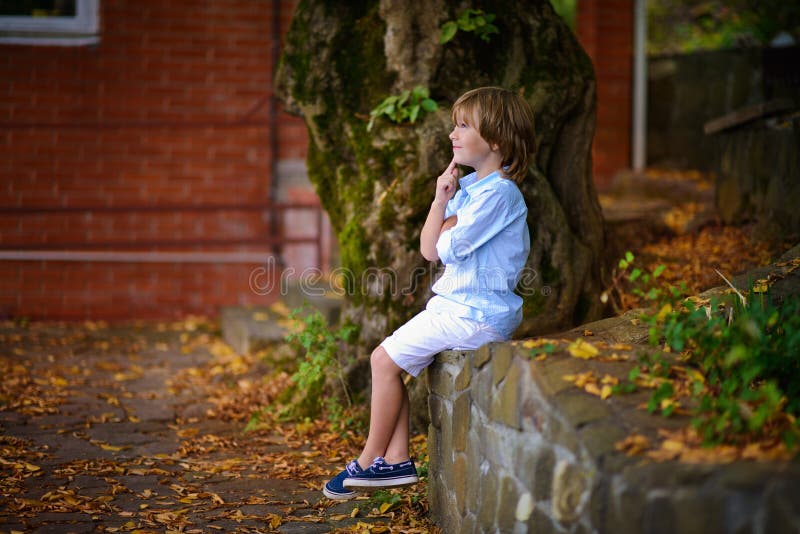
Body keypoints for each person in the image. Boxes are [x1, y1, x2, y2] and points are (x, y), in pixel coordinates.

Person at [323, 86, 535, 500]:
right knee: (386, 361)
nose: (452, 134)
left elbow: (445, 247)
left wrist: (446, 232)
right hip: (457, 307)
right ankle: (396, 458)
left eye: (462, 125)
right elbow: (428, 249)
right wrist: (441, 201)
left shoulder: (502, 194)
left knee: (382, 360)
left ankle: (369, 461)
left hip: (476, 313)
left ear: (495, 140)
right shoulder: (471, 188)